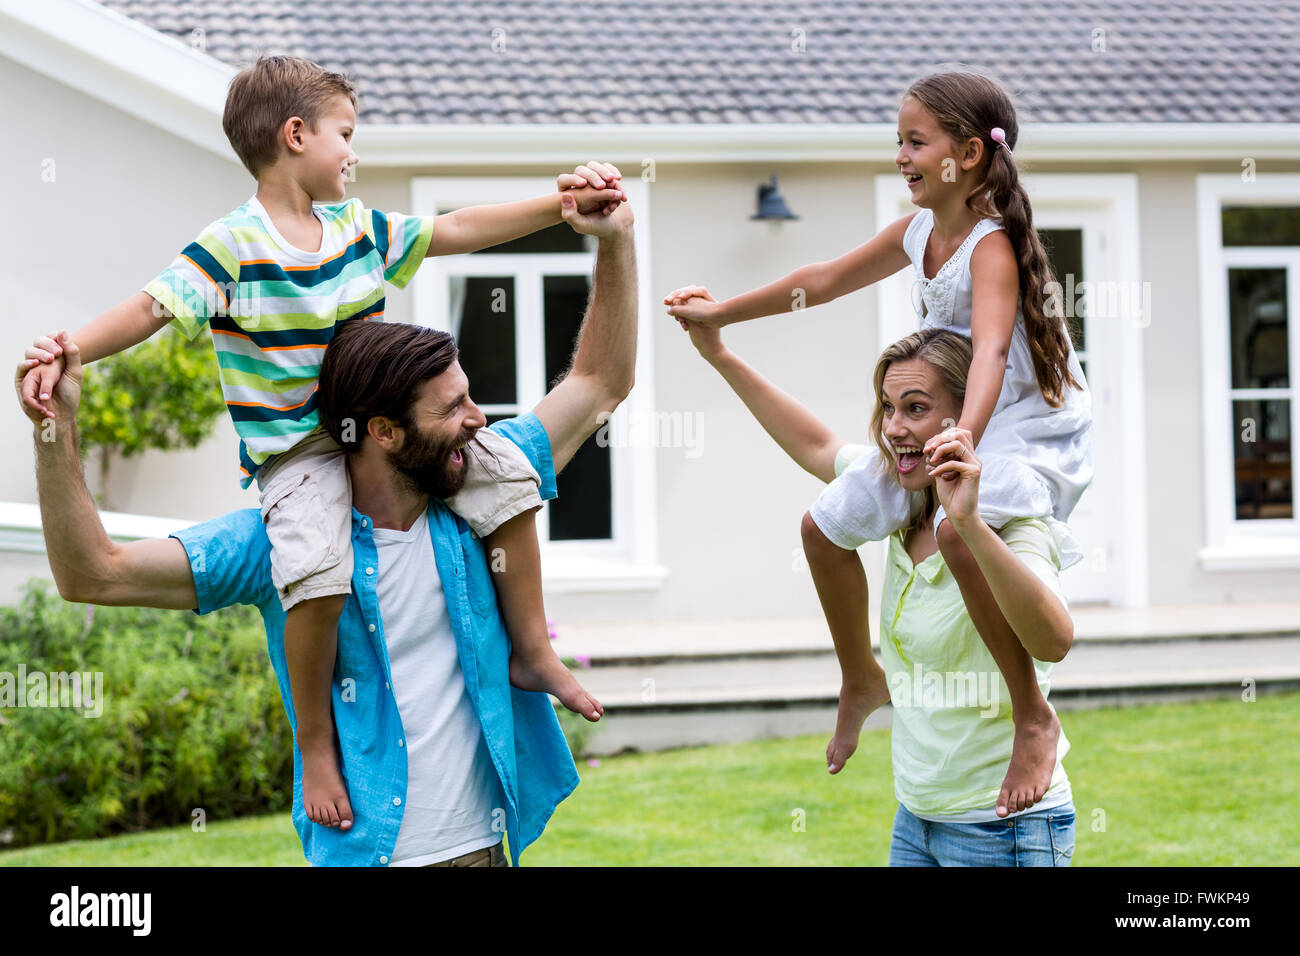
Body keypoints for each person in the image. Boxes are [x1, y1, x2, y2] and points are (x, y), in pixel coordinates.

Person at [18, 56, 622, 832]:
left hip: (376, 431)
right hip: (300, 457)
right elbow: (149, 310)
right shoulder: (233, 245)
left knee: (506, 477)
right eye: (345, 134)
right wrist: (68, 351)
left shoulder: (358, 228)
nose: (354, 152)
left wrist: (561, 204)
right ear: (294, 135)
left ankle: (533, 648)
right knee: (316, 571)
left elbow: (457, 229)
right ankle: (316, 743)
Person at [664, 70, 1092, 816]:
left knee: (963, 534)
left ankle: (1032, 715)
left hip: (1016, 428)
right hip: (953, 415)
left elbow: (990, 352)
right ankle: (861, 676)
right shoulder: (920, 231)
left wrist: (964, 441)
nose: (901, 154)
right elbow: (823, 279)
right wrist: (724, 313)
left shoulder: (990, 245)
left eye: (915, 141)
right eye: (898, 140)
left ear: (966, 154)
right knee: (821, 526)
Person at [680, 317, 1077, 866]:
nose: (893, 427)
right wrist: (719, 353)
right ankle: (861, 679)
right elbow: (815, 443)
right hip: (917, 820)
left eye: (915, 408)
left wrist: (970, 527)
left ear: (967, 416)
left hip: (1004, 828)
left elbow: (1054, 639)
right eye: (888, 408)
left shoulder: (1013, 524)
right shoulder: (899, 500)